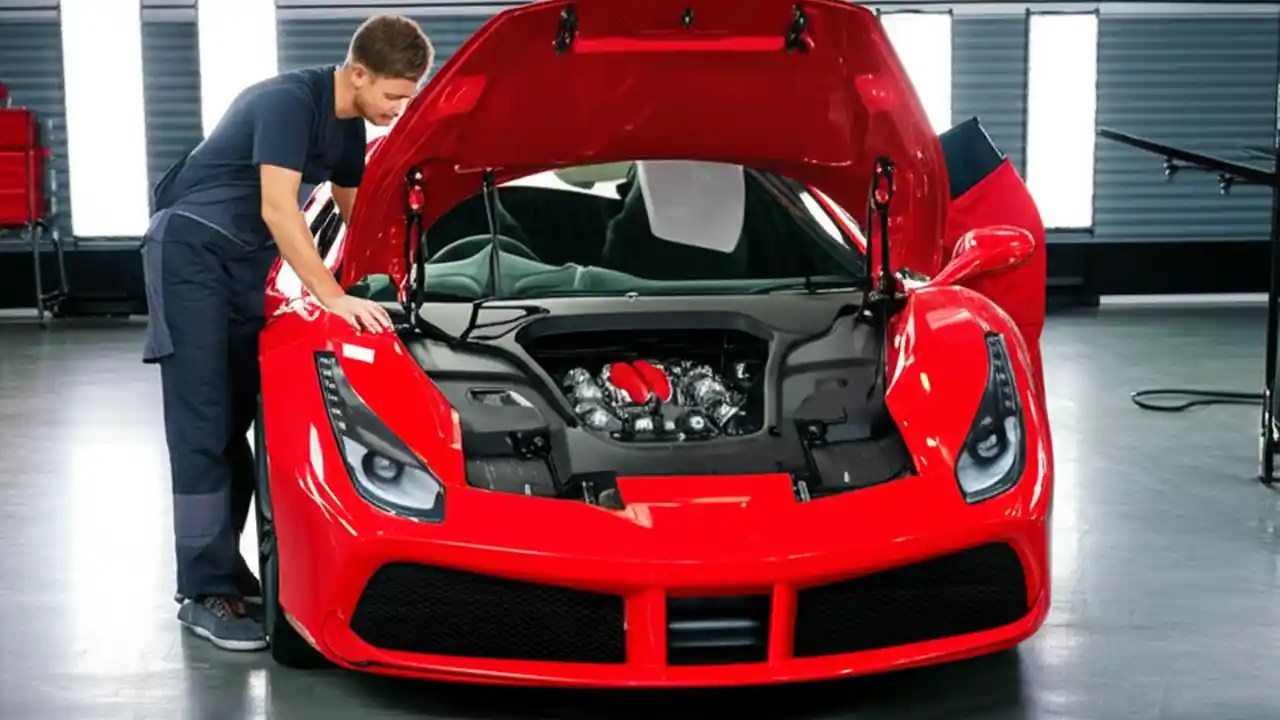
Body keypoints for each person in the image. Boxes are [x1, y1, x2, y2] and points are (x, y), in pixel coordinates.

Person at [139, 14, 433, 651]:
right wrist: (331, 296)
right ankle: (201, 593)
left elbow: (359, 222)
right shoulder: (286, 103)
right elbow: (279, 208)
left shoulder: (351, 127)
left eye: (408, 97)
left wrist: (401, 280)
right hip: (190, 254)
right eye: (394, 94)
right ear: (359, 73)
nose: (399, 108)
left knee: (241, 419)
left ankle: (226, 570)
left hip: (244, 267)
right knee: (203, 425)